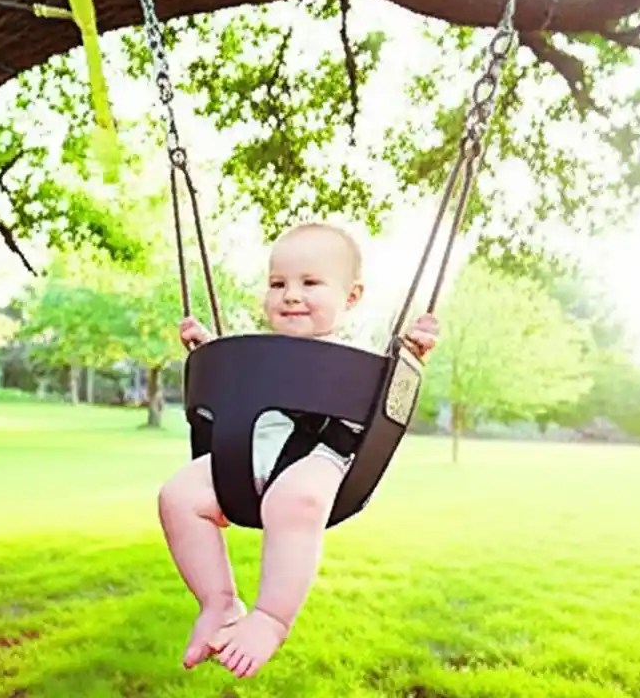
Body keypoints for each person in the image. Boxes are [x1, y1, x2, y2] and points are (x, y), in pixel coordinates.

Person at [157, 222, 441, 679]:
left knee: (296, 499)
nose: (290, 295)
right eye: (277, 284)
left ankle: (270, 618)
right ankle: (219, 602)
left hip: (321, 459)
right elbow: (230, 385)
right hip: (249, 454)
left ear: (350, 297)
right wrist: (210, 354)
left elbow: (393, 384)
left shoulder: (357, 352)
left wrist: (413, 349)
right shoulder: (257, 351)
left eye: (309, 283)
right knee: (177, 496)